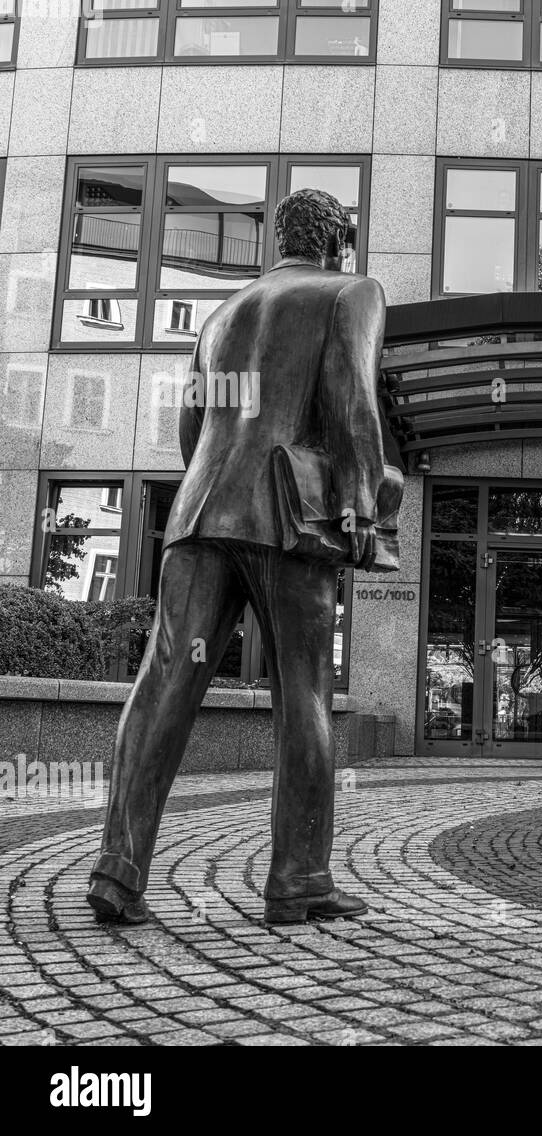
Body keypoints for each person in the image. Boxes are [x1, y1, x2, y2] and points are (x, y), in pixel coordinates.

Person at [87, 189, 389, 926]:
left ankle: (118, 870)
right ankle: (299, 880)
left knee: (162, 682)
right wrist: (363, 504)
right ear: (337, 241)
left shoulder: (221, 315)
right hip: (286, 520)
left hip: (199, 513)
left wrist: (212, 493)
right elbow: (353, 404)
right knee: (305, 694)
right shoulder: (352, 292)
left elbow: (193, 426)